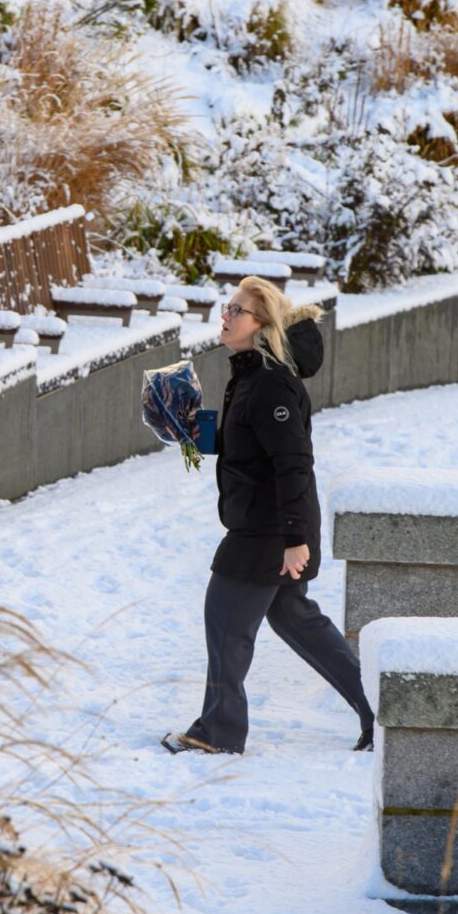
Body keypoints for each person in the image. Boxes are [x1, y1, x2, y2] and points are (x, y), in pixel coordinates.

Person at [162, 276, 375, 756]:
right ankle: (385, 712)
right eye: (228, 307)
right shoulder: (252, 376)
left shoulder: (272, 383)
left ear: (261, 326)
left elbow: (292, 462)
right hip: (271, 527)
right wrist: (196, 429)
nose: (226, 316)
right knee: (296, 619)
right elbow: (250, 445)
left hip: (271, 531)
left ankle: (217, 733)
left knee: (225, 618)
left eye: (236, 311)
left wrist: (295, 538)